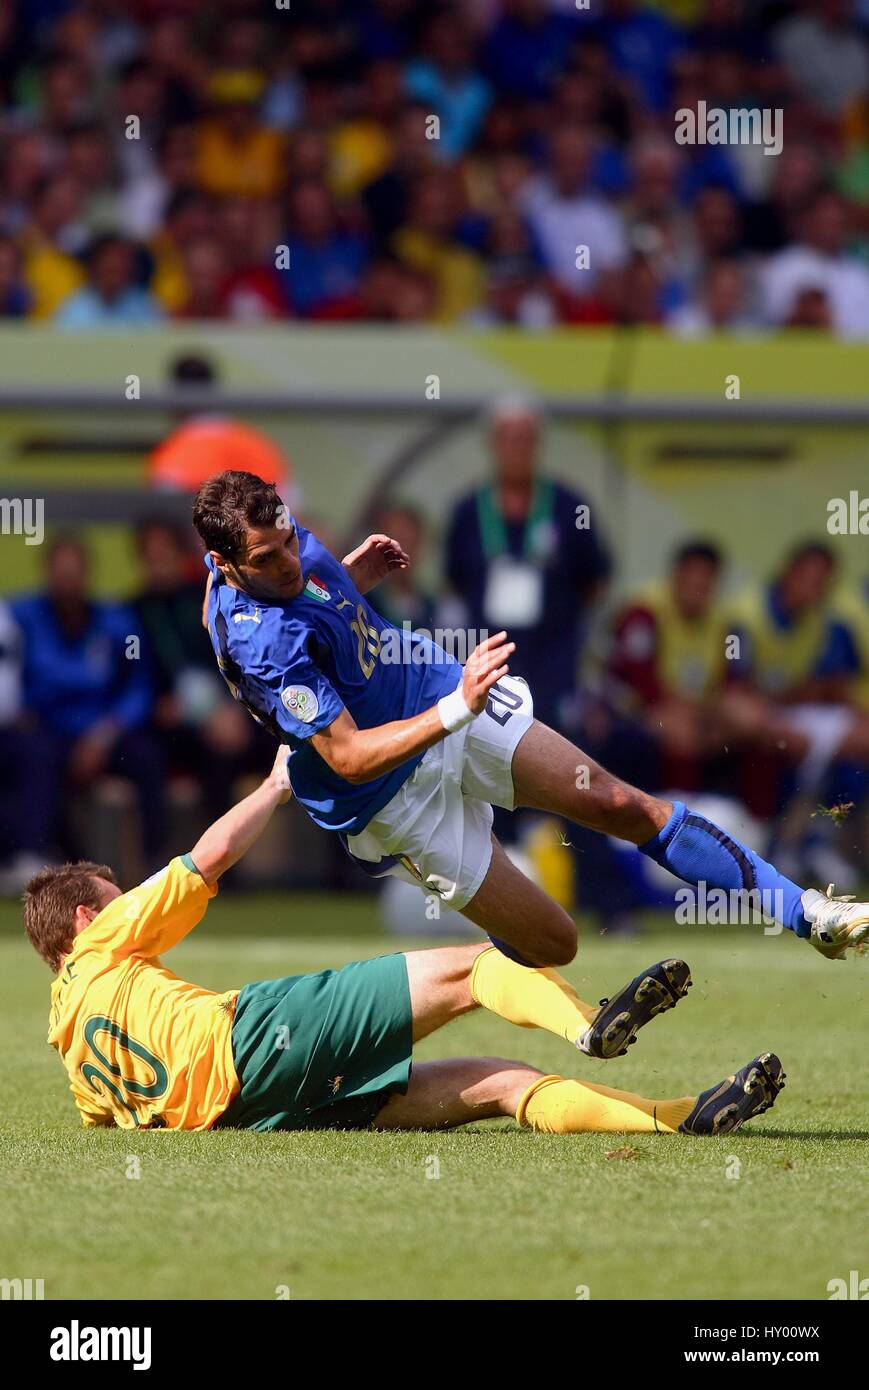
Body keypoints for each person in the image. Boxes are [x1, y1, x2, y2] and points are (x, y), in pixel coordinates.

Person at [193, 470, 869, 970]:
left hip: (429, 686)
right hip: (383, 795)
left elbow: (313, 607)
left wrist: (349, 577)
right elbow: (346, 756)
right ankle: (493, 987)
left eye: (289, 540)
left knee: (615, 801)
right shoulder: (259, 642)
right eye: (268, 559)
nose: (288, 561)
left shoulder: (261, 539)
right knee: (554, 944)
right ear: (224, 565)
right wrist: (457, 706)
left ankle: (807, 911)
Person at [27, 742, 785, 1138]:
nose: (130, 905)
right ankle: (587, 1026)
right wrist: (275, 786)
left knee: (497, 1082)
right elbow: (208, 860)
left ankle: (679, 1115)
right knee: (478, 965)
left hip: (256, 1111)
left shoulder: (75, 1058)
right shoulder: (101, 945)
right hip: (255, 1041)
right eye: (115, 898)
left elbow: (117, 1115)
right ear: (86, 921)